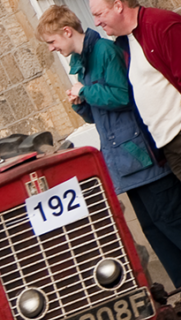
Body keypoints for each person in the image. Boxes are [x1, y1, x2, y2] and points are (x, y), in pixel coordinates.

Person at [40, 6, 181, 286]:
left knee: (171, 221)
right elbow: (100, 115)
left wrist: (86, 91)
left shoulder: (104, 51)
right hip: (126, 163)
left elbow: (121, 98)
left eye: (52, 41)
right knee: (154, 229)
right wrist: (82, 105)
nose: (52, 48)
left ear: (67, 32)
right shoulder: (85, 60)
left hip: (141, 156)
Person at [90, 0, 181, 181]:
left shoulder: (161, 25)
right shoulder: (125, 43)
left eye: (99, 14)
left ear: (118, 6)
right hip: (167, 144)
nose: (96, 23)